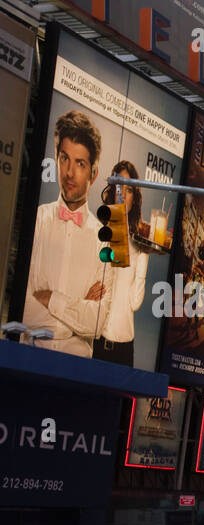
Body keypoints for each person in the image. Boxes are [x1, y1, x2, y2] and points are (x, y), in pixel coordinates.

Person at [24, 110, 108, 357]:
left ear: (93, 174)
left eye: (80, 163)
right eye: (64, 159)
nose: (69, 173)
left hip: (76, 372)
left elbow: (97, 322)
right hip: (28, 359)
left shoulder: (104, 240)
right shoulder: (37, 220)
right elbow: (24, 310)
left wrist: (49, 298)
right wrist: (76, 313)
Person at [94, 161, 149, 366]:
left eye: (129, 190)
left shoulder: (137, 243)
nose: (123, 195)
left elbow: (134, 303)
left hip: (123, 347)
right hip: (94, 341)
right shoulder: (96, 232)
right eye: (119, 188)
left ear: (134, 198)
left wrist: (144, 256)